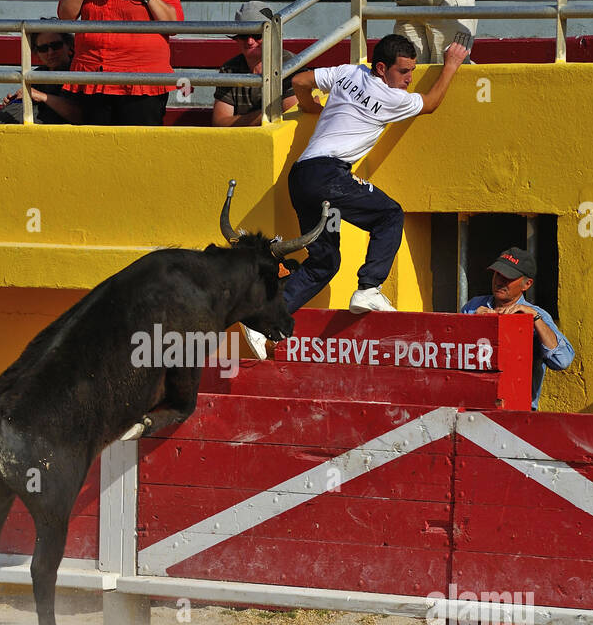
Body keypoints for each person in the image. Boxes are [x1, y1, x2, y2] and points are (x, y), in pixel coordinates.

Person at [242, 33, 467, 359]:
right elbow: (430, 103)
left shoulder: (350, 72)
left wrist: (310, 108)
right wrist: (452, 65)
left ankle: (260, 317)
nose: (409, 79)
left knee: (324, 263)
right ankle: (368, 288)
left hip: (303, 178)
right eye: (403, 72)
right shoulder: (393, 99)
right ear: (381, 68)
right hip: (329, 177)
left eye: (412, 71)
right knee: (390, 214)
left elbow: (302, 80)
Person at [57, 0, 183, 126]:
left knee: (140, 147)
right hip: (94, 77)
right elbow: (65, 17)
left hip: (143, 81)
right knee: (96, 146)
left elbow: (175, 24)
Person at [460, 247, 575, 411]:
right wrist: (472, 323)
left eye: (508, 277)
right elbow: (452, 353)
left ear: (526, 284)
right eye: (497, 274)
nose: (499, 281)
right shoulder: (473, 307)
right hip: (473, 408)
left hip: (517, 413)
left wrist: (535, 319)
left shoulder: (537, 315)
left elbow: (562, 361)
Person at [211, 1, 298, 127]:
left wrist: (239, 121)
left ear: (272, 35)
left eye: (257, 35)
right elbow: (219, 122)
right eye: (243, 35)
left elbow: (290, 112)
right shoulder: (229, 69)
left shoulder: (289, 63)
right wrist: (269, 114)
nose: (250, 41)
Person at [0, 28, 82, 125]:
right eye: (43, 48)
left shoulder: (80, 72)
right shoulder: (37, 74)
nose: (50, 52)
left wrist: (40, 96)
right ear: (37, 53)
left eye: (56, 46)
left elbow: (80, 117)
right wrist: (14, 103)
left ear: (69, 46)